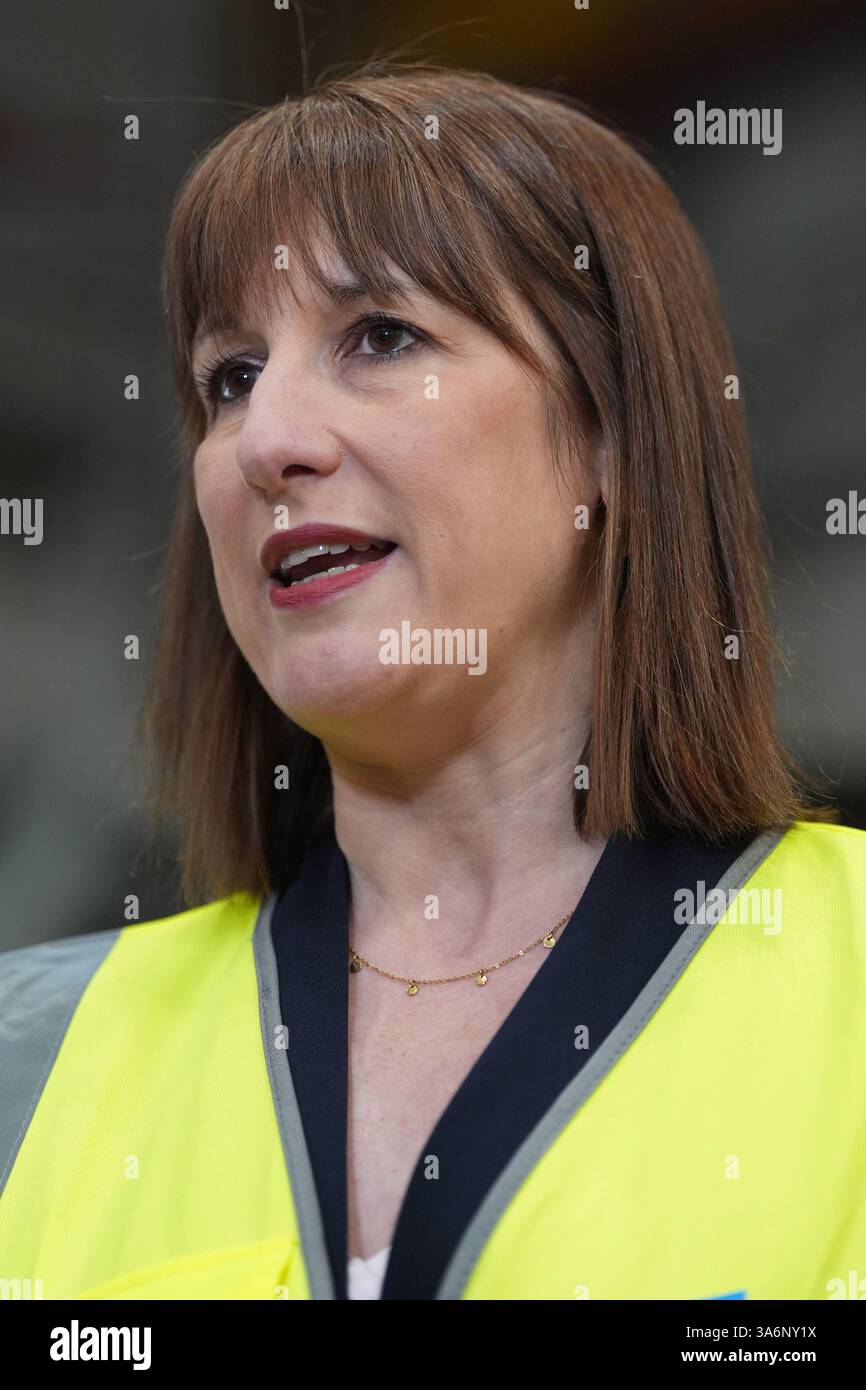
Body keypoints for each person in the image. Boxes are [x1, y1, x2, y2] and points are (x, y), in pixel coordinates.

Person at [1, 63, 864, 1303]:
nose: (265, 441)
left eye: (381, 337)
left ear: (612, 435)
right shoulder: (28, 1057)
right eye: (229, 376)